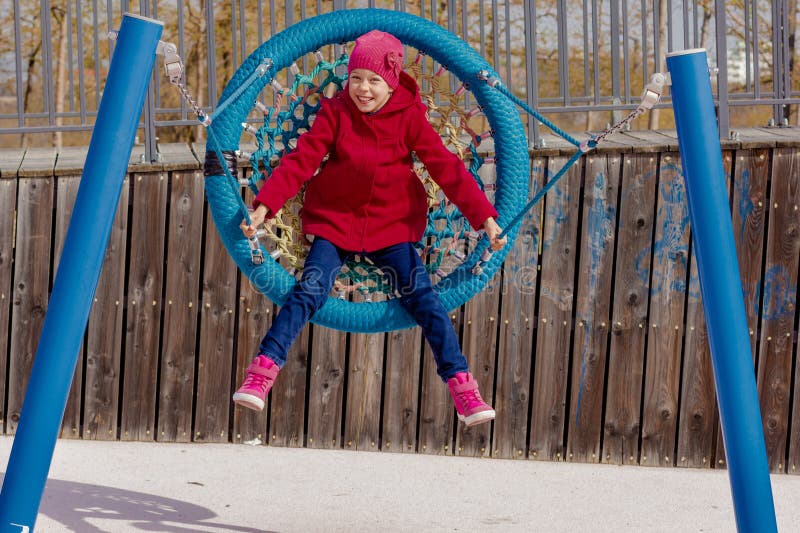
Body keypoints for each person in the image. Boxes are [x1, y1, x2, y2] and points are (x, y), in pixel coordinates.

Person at [234, 30, 506, 427]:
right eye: (356, 77)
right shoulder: (337, 111)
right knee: (310, 288)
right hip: (336, 221)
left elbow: (446, 169)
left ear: (391, 81)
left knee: (424, 297)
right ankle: (262, 370)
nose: (363, 88)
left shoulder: (409, 116)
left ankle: (462, 386)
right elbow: (302, 159)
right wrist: (264, 206)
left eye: (374, 80)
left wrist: (484, 217)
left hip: (391, 226)